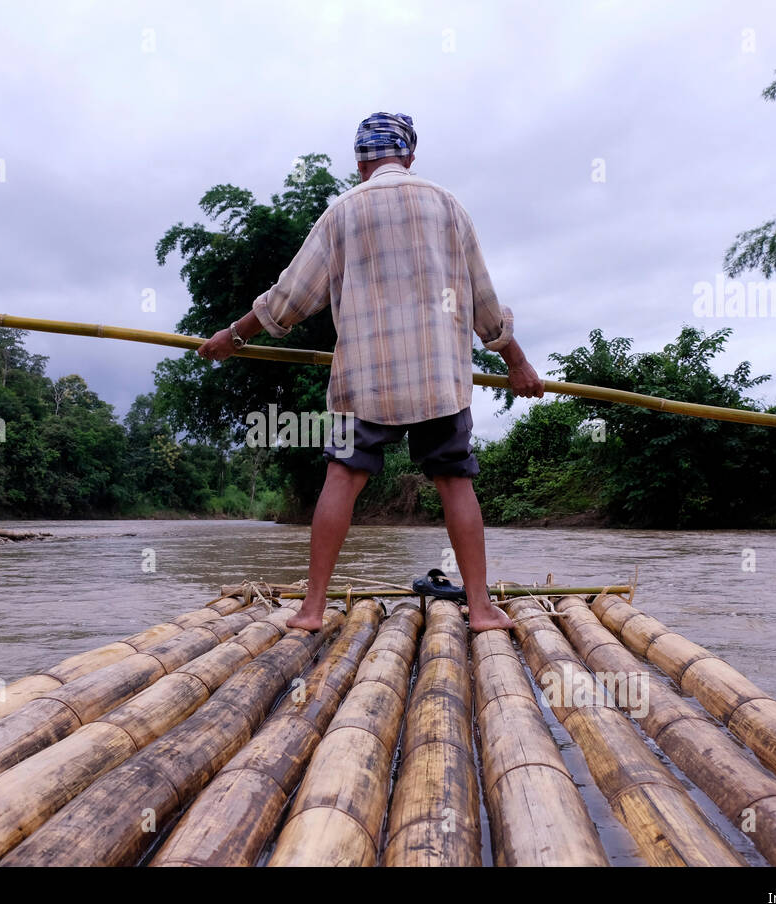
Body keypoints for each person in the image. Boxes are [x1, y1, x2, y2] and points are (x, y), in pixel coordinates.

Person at [198, 111, 544, 633]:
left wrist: (235, 334)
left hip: (363, 380)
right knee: (454, 481)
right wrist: (517, 362)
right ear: (408, 157)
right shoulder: (447, 206)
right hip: (439, 379)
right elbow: (483, 301)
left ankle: (312, 610)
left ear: (361, 162)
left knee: (342, 476)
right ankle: (481, 608)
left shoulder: (342, 213)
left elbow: (289, 298)